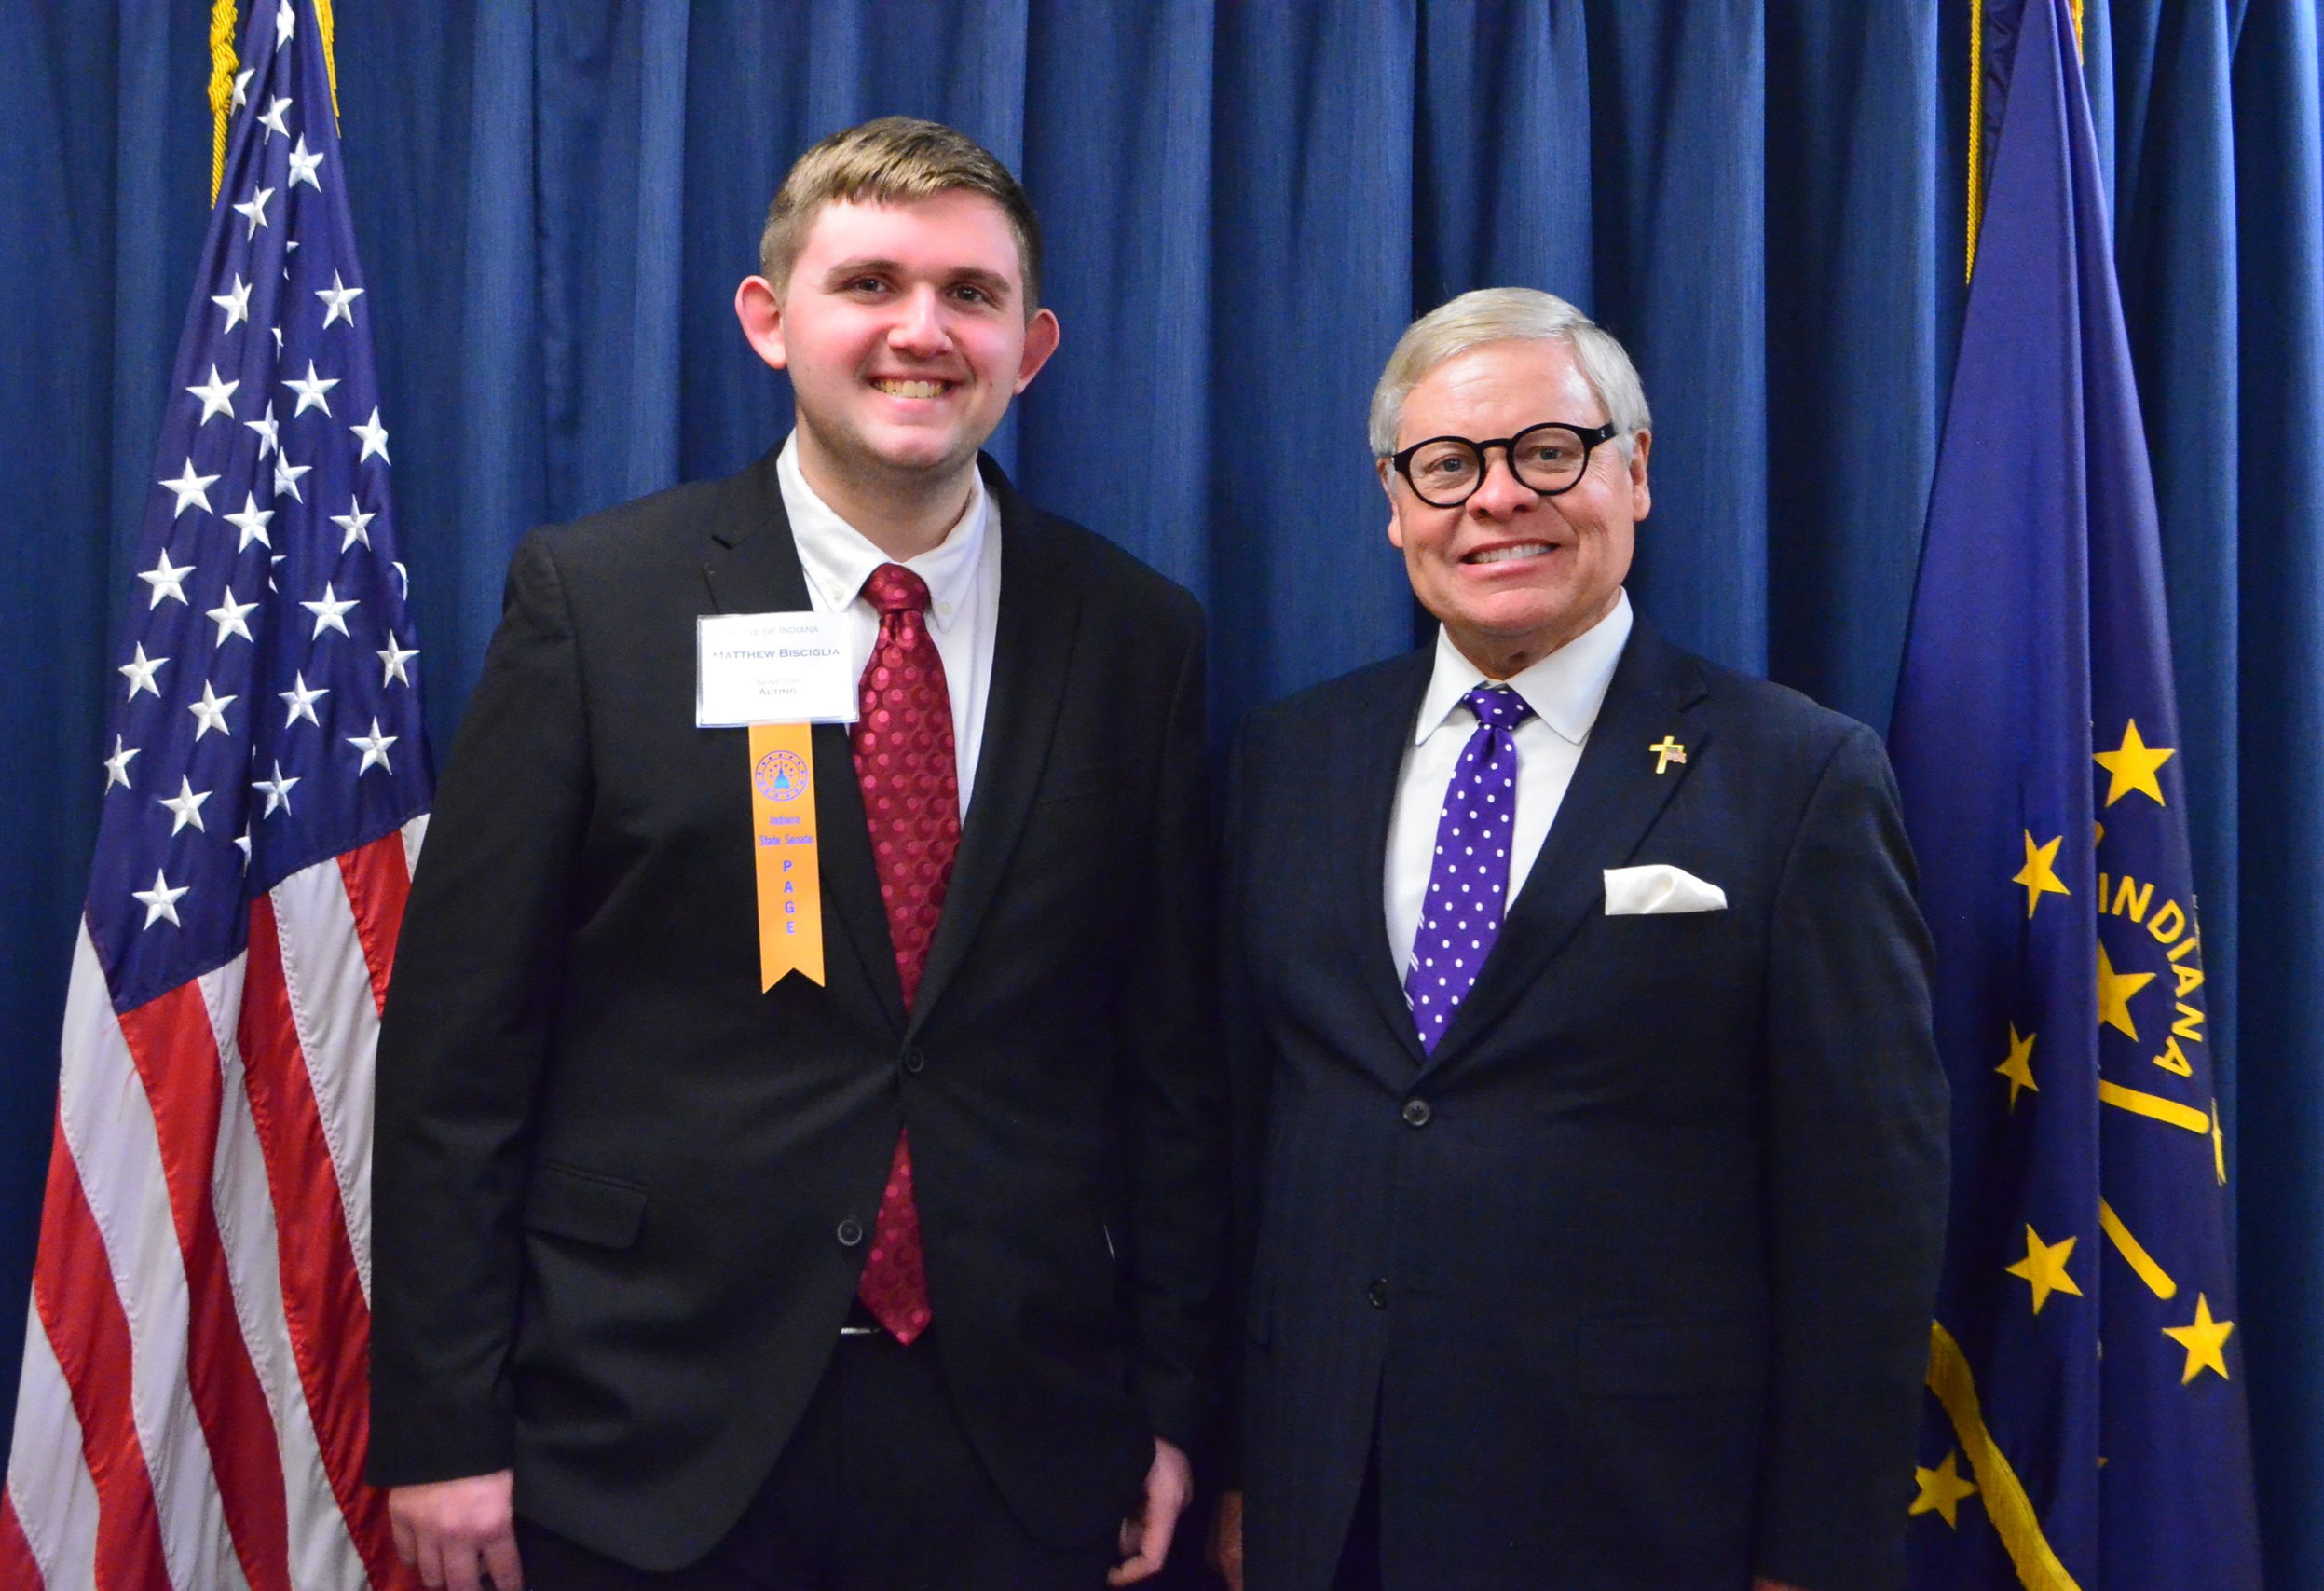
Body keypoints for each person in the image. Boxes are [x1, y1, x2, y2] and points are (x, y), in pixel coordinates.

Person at [369, 117, 1222, 1591]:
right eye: (870, 283)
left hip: (1018, 1442)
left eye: (971, 295)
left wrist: (1173, 1403)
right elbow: (461, 1051)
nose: (922, 331)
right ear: (771, 322)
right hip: (644, 1436)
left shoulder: (1135, 636)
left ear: (1032, 347)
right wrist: (442, 1423)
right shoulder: (598, 603)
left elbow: (1171, 1066)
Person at [1212, 288, 1948, 1591]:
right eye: (1447, 466)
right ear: (1394, 504)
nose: (1498, 498)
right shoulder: (1287, 759)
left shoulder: (1797, 776)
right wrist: (1235, 1465)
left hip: (1645, 1516)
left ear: (1636, 471)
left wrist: (1818, 1553)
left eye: (1549, 452)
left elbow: (1868, 1213)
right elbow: (1233, 1137)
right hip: (1325, 1505)